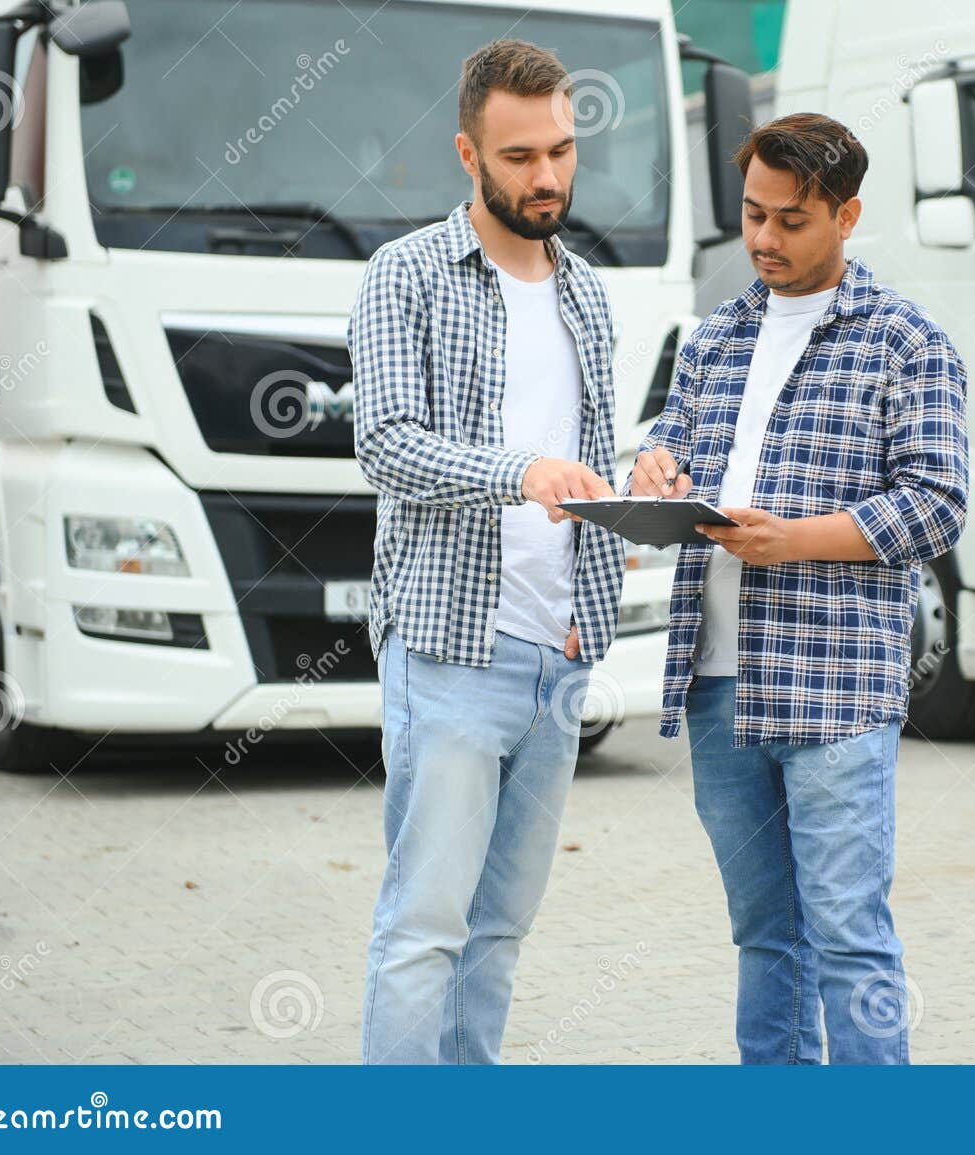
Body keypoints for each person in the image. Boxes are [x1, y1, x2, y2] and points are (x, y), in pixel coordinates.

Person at [630, 113, 969, 1064]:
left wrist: (802, 541)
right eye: (752, 215)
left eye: (793, 220)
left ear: (848, 215)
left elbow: (938, 504)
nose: (766, 240)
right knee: (762, 937)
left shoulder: (908, 344)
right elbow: (677, 440)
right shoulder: (714, 338)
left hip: (834, 685)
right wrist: (656, 465)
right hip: (716, 684)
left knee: (849, 941)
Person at [349, 38, 624, 1064]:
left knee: (499, 933)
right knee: (424, 930)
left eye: (560, 150)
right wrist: (518, 471)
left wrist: (645, 483)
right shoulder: (406, 275)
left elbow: (585, 460)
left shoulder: (588, 292)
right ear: (469, 152)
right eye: (518, 157)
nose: (545, 177)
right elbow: (384, 442)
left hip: (559, 652)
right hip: (450, 648)